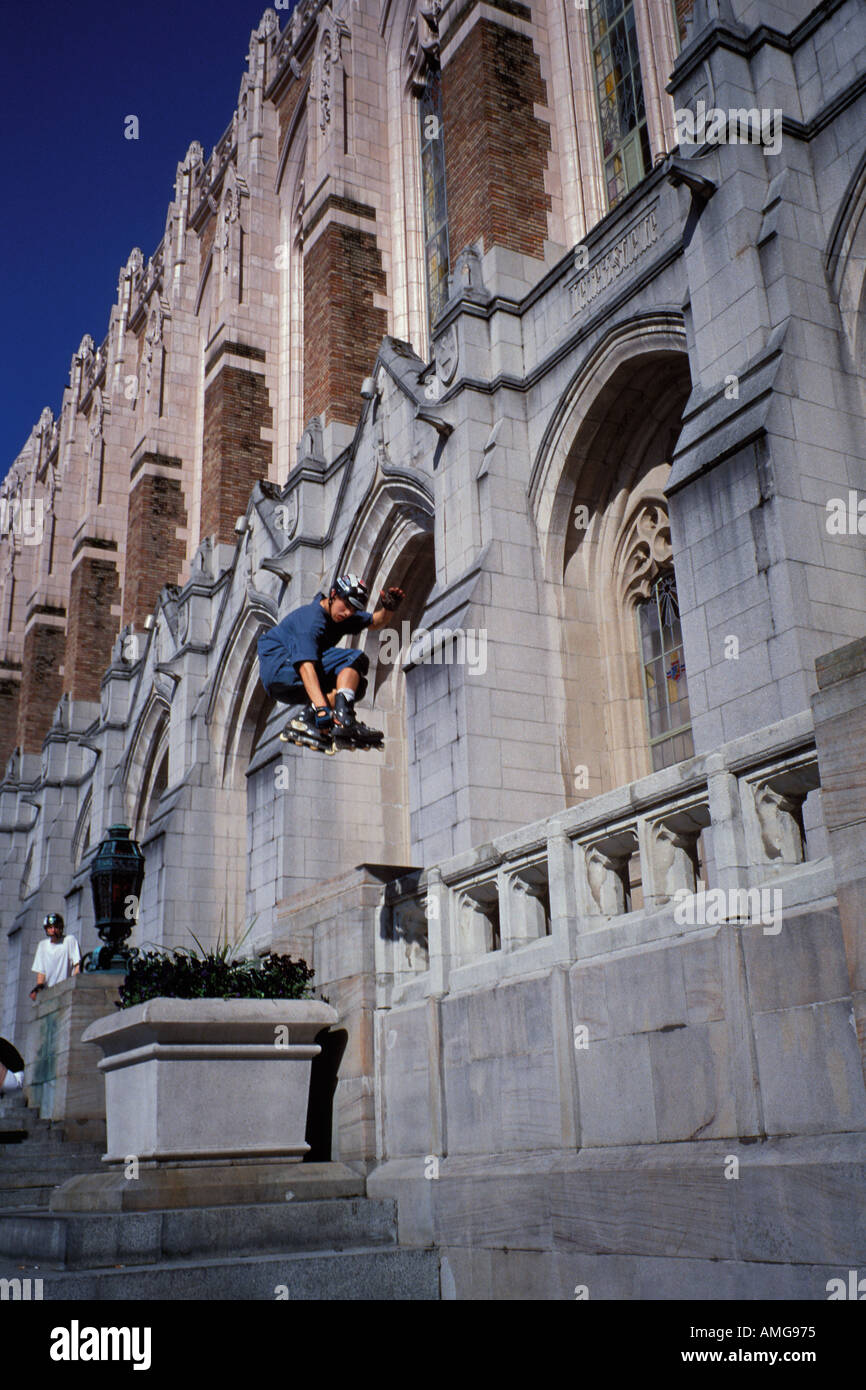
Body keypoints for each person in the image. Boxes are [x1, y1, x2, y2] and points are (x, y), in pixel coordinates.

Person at [257, 573, 404, 747]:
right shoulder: (312, 620)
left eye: (354, 609)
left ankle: (305, 720)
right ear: (333, 595)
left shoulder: (343, 616)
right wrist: (322, 709)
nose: (348, 613)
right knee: (354, 659)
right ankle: (342, 720)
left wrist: (389, 608)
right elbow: (306, 667)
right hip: (282, 668)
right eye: (346, 605)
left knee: (355, 687)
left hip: (282, 686)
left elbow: (374, 622)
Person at [30, 912, 80, 1003]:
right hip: (49, 993)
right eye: (50, 927)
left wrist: (73, 985)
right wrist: (38, 989)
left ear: (61, 928)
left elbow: (78, 965)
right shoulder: (42, 946)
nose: (53, 930)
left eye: (56, 927)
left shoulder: (69, 940)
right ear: (46, 929)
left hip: (65, 990)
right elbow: (41, 973)